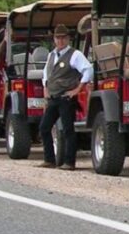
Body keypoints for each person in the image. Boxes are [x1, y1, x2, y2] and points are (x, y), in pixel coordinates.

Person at [38, 24, 93, 170]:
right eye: (58, 38)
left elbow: (88, 70)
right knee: (44, 128)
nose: (60, 41)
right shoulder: (51, 55)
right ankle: (49, 159)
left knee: (68, 130)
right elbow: (46, 74)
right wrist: (45, 89)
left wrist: (78, 89)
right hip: (53, 97)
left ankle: (69, 162)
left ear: (68, 39)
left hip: (66, 98)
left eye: (63, 38)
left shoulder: (75, 55)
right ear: (54, 39)